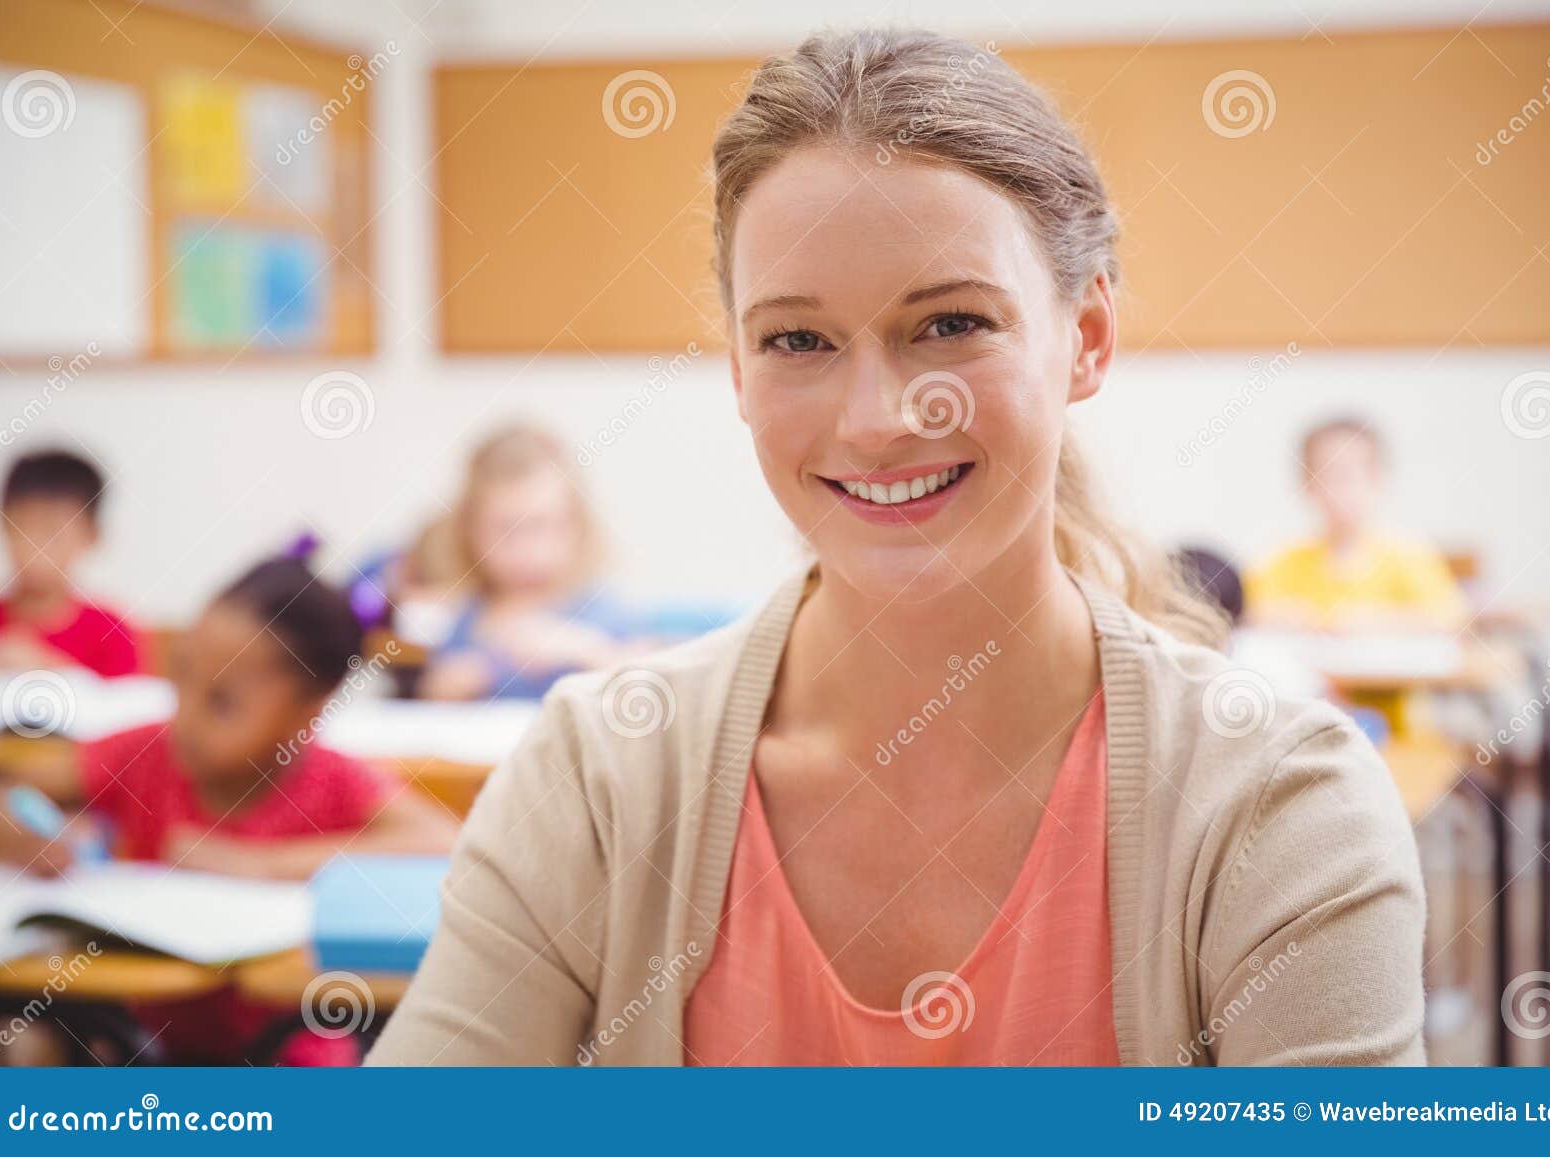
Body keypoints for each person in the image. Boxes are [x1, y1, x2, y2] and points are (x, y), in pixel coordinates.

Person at [369, 29, 1425, 1067]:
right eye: (796, 339)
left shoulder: (1279, 805)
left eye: (951, 322)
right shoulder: (598, 781)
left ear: (1086, 337)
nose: (876, 417)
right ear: (738, 367)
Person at [0, 554, 458, 1064]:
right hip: (145, 1040)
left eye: (221, 702)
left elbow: (446, 840)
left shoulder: (329, 778)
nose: (185, 715)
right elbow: (10, 788)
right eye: (181, 672)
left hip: (293, 1039)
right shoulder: (148, 752)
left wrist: (262, 865)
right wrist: (11, 830)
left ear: (307, 712)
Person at [415, 424, 641, 701]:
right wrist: (446, 685)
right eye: (503, 530)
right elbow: (430, 697)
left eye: (540, 526)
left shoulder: (601, 611)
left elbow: (645, 688)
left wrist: (586, 650)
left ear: (576, 525)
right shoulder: (466, 616)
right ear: (470, 531)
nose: (524, 550)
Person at [1244, 417, 1466, 633]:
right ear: (1307, 484)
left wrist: (1376, 622)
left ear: (1377, 479)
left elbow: (1452, 619)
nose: (1341, 488)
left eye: (1353, 474)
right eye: (1327, 474)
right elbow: (1249, 613)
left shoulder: (1410, 555)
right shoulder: (1283, 560)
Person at [0, 450, 140, 677]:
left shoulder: (112, 632)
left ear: (91, 536)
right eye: (19, 528)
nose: (33, 547)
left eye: (52, 533)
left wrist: (49, 668)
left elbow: (133, 704)